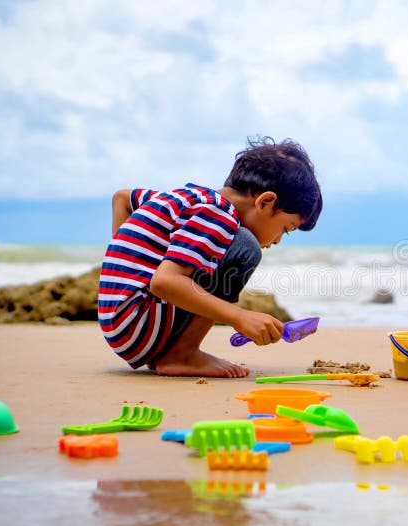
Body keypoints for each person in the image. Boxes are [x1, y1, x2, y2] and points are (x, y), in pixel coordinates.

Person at [98, 137, 322, 377]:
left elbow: (122, 198)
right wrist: (239, 317)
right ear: (265, 201)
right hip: (138, 328)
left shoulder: (189, 198)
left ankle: (171, 350)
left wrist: (128, 267)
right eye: (285, 229)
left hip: (119, 322)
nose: (277, 240)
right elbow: (164, 282)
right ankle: (182, 354)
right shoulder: (220, 214)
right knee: (245, 246)